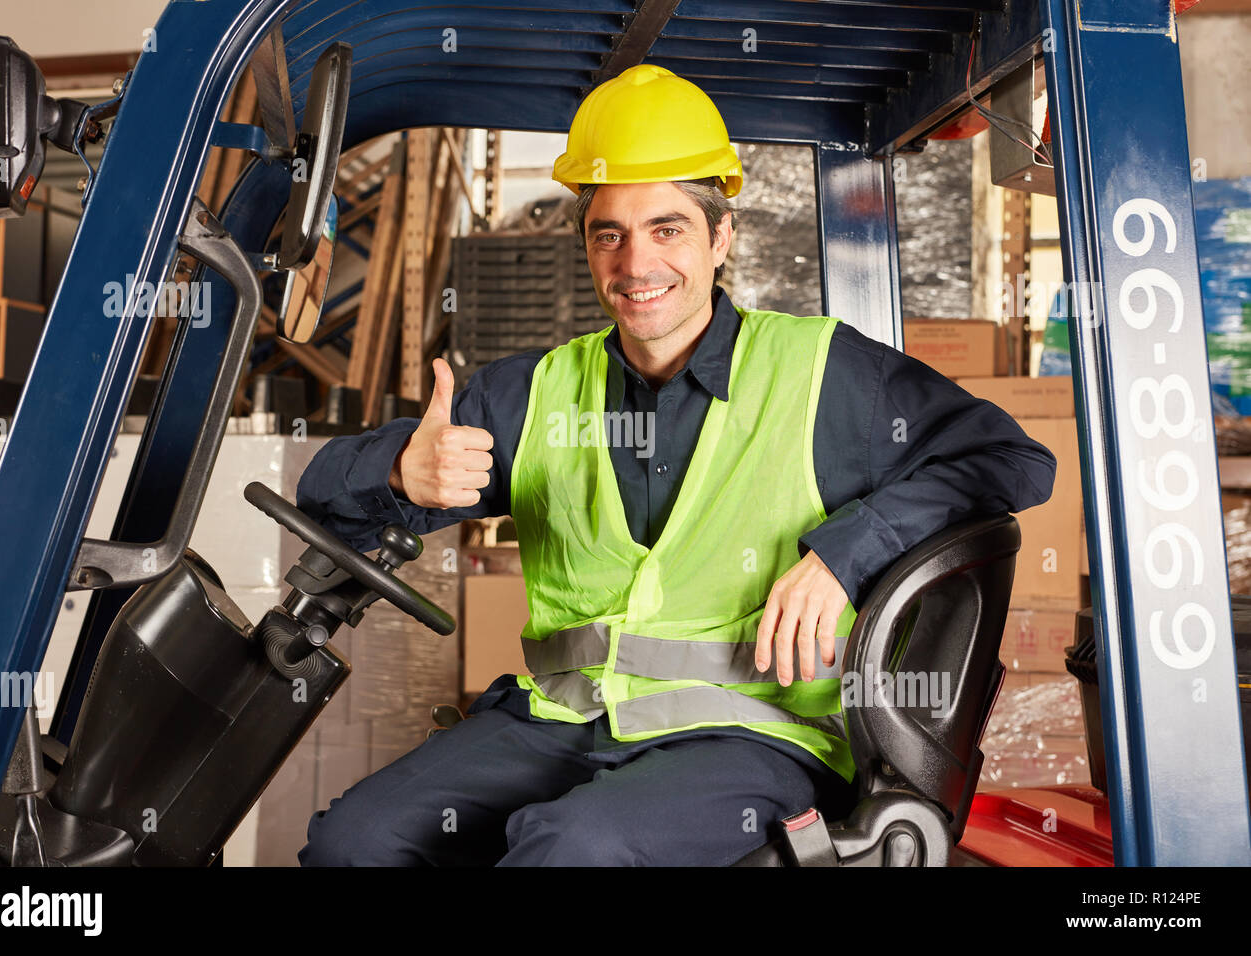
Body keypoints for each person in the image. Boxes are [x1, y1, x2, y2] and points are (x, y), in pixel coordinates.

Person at [294, 64, 1056, 866]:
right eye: (609, 233)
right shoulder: (533, 392)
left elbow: (1011, 458)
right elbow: (321, 495)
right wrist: (398, 473)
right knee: (356, 843)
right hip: (559, 720)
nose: (635, 264)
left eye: (668, 230)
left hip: (751, 732)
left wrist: (848, 552)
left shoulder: (826, 377)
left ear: (720, 237)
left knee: (570, 848)